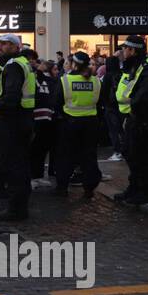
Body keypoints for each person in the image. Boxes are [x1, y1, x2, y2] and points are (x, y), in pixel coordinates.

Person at [114, 35, 148, 206]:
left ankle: (146, 191)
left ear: (132, 50)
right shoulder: (133, 66)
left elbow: (145, 93)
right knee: (130, 152)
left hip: (143, 116)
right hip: (132, 115)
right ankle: (134, 187)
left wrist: (136, 110)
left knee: (141, 154)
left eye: (125, 49)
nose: (122, 52)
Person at [0, 33, 35, 221]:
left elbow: (11, 95)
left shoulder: (13, 66)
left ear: (12, 45)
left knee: (12, 165)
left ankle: (15, 209)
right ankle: (20, 206)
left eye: (3, 44)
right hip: (24, 119)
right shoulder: (24, 63)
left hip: (12, 121)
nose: (0, 47)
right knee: (21, 164)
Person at [53, 51, 102, 199]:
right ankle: (89, 188)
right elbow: (100, 102)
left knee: (66, 156)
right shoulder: (96, 81)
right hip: (91, 123)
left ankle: (62, 187)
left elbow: (56, 102)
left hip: (70, 123)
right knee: (89, 156)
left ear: (74, 64)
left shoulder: (65, 80)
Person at [30, 55, 58, 183]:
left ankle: (36, 174)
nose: (57, 72)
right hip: (44, 117)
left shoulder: (35, 79)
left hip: (39, 117)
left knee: (38, 148)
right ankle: (36, 174)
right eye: (55, 69)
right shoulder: (50, 81)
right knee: (40, 148)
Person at [101, 54, 125, 162]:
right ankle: (124, 150)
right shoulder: (122, 74)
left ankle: (117, 151)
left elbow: (104, 92)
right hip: (122, 106)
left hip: (110, 107)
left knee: (113, 130)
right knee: (121, 129)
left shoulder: (108, 75)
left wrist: (104, 103)